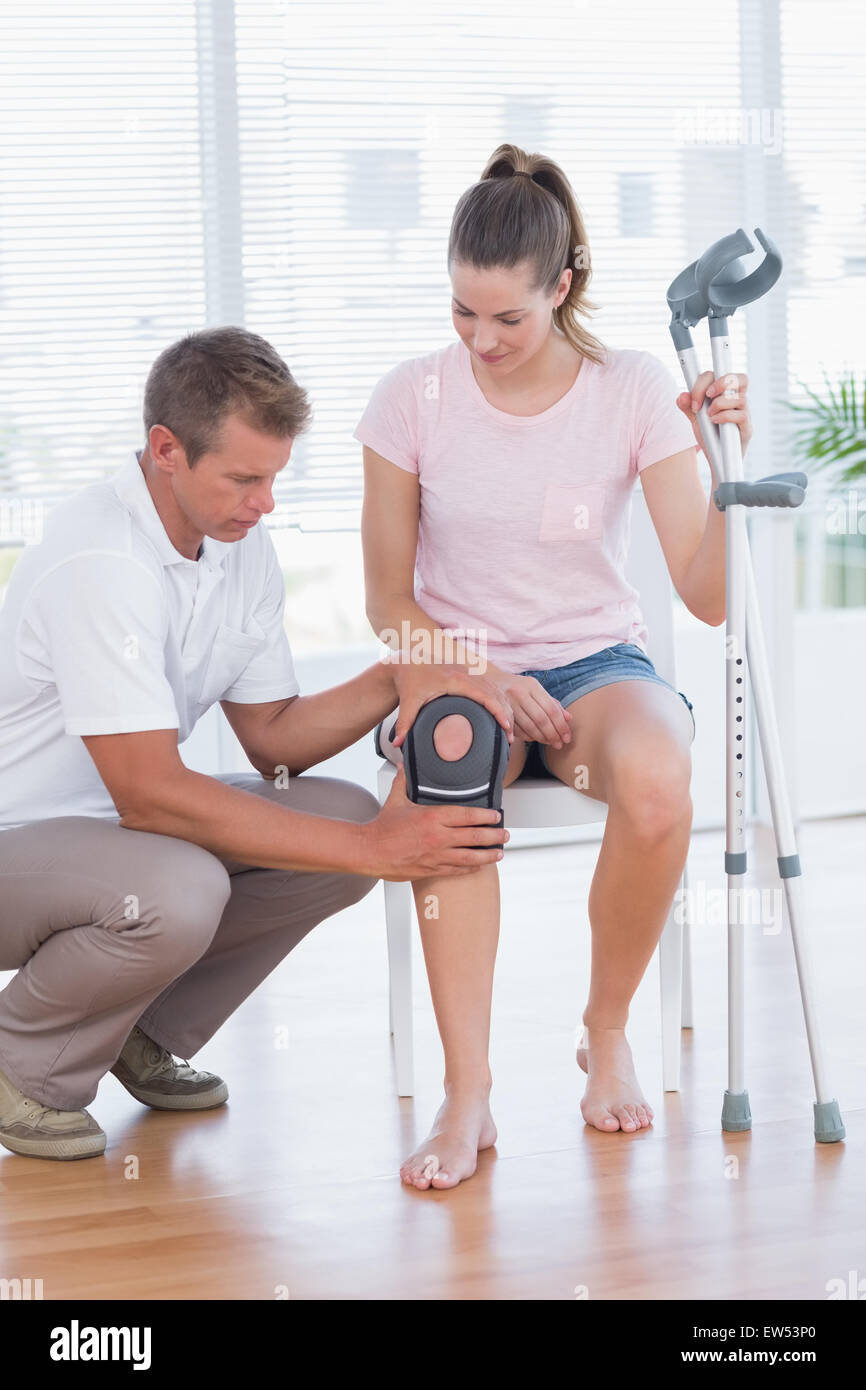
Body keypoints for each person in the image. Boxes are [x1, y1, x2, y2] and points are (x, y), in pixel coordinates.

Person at [0, 326, 509, 1163]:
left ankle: (136, 1030)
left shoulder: (237, 543)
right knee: (186, 884)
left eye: (273, 476)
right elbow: (150, 794)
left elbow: (274, 742)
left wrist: (399, 674)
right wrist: (374, 847)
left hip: (113, 841)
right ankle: (25, 1063)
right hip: (25, 844)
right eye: (244, 477)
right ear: (167, 450)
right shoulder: (100, 560)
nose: (265, 501)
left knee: (331, 818)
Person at [355, 144, 751, 1191]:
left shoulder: (630, 391)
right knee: (446, 772)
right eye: (460, 314)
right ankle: (467, 1090)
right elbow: (387, 603)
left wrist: (721, 462)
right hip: (454, 674)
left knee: (661, 780)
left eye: (506, 318)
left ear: (561, 285)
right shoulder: (409, 398)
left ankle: (606, 1030)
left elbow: (706, 595)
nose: (479, 340)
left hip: (591, 672)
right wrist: (475, 677)